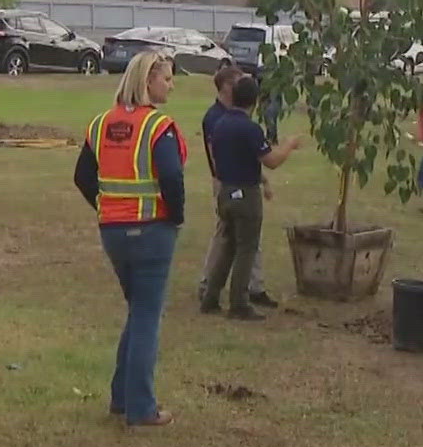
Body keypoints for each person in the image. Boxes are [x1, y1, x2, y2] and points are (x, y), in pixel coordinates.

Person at [74, 51, 186, 427]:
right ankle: (141, 408)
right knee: (147, 316)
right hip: (152, 230)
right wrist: (177, 216)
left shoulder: (102, 123)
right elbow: (171, 176)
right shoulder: (159, 127)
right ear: (147, 81)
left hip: (113, 232)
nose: (171, 85)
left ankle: (122, 398)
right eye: (166, 78)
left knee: (138, 310)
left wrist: (107, 207)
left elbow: (83, 177)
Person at [200, 74, 302, 321]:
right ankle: (239, 303)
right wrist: (288, 145)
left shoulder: (220, 123)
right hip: (246, 194)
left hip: (225, 191)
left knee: (227, 246)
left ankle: (210, 297)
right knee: (247, 248)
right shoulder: (250, 128)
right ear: (254, 101)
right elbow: (272, 161)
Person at [196, 65, 277, 309]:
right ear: (227, 87)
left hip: (233, 181)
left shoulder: (226, 117)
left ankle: (251, 286)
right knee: (231, 240)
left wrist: (260, 179)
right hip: (230, 183)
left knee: (238, 240)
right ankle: (217, 288)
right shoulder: (217, 118)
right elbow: (222, 155)